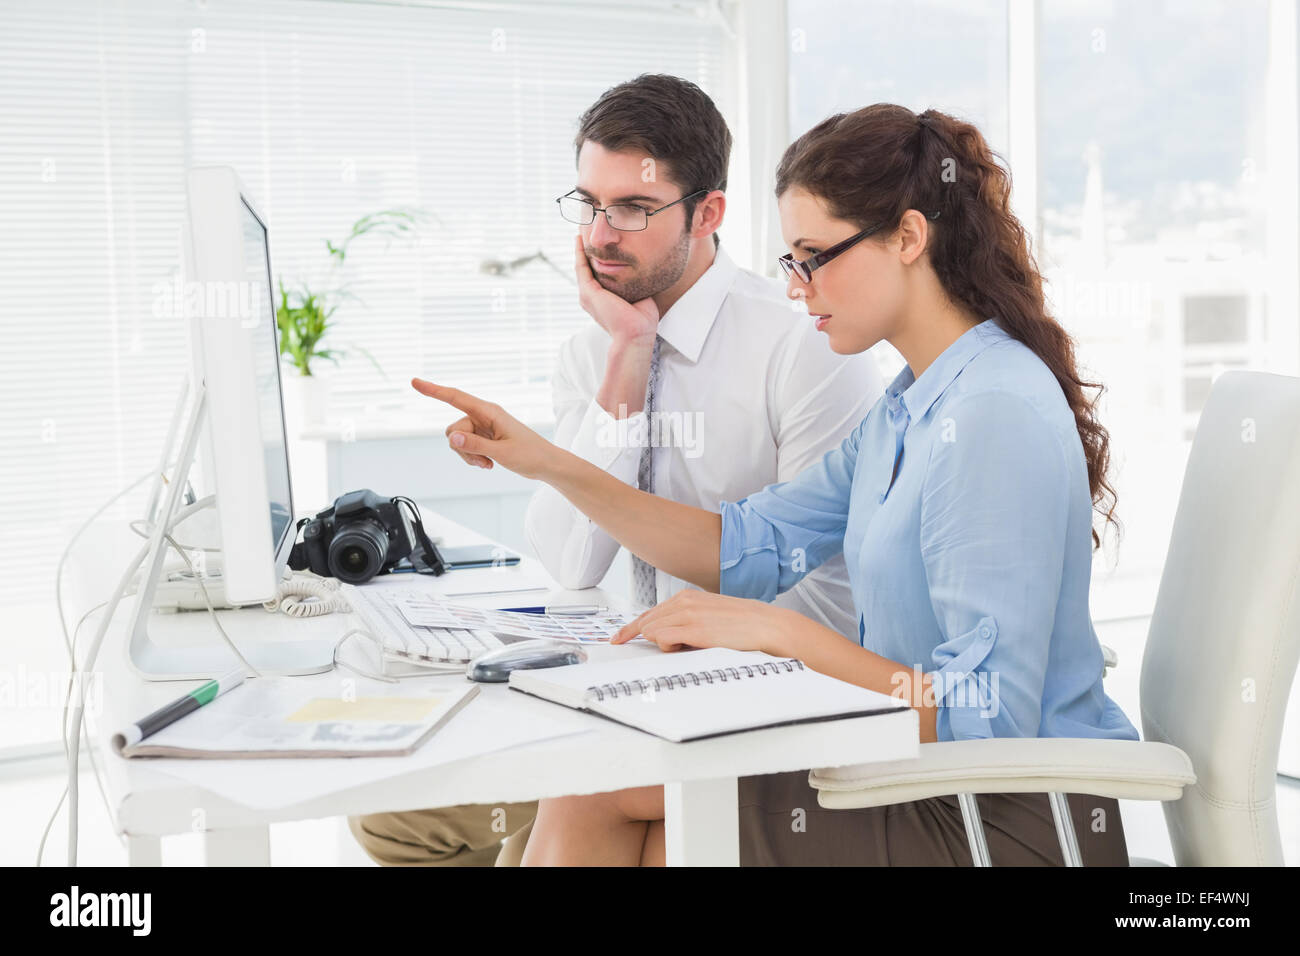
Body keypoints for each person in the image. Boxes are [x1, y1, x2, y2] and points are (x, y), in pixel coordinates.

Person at [410, 104, 1143, 867]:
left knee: (616, 808)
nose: (798, 288)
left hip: (1007, 818)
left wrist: (785, 635)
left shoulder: (990, 411)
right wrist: (548, 461)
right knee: (614, 796)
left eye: (814, 255)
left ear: (908, 238)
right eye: (792, 262)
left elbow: (984, 714)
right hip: (914, 775)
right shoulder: (907, 405)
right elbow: (746, 546)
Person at [348, 74, 882, 866]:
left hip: (759, 700)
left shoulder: (801, 345)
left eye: (634, 209)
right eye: (590, 204)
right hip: (621, 687)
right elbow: (571, 561)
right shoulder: (593, 346)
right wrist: (626, 361)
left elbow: (803, 586)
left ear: (708, 214)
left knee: (639, 831)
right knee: (388, 815)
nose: (602, 234)